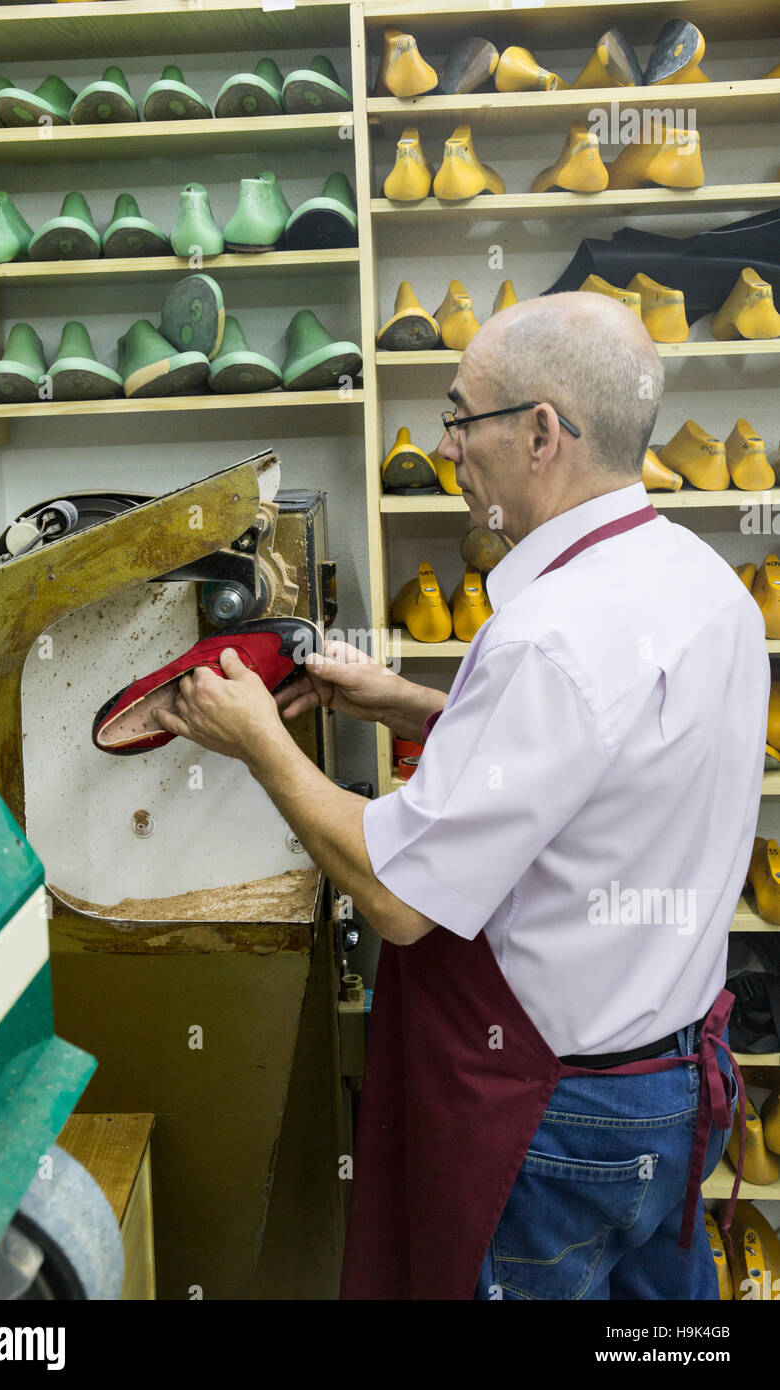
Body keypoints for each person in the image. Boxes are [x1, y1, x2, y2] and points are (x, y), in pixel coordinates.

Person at [152, 292, 766, 1300]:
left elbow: (396, 900)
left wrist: (260, 742)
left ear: (538, 433)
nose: (444, 447)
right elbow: (604, 763)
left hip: (553, 1126)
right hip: (671, 1089)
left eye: (458, 415)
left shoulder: (550, 632)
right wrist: (404, 699)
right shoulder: (703, 584)